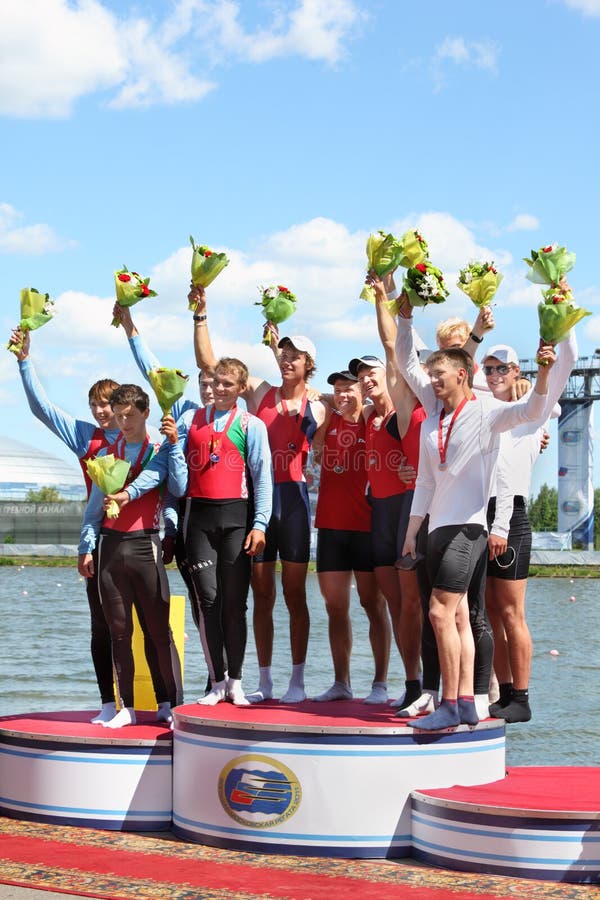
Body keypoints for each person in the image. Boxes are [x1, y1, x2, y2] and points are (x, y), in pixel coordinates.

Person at [396, 297, 573, 730]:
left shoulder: (490, 412)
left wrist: (544, 371)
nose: (431, 382)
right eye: (430, 375)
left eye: (439, 375)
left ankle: (465, 702)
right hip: (438, 528)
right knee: (461, 615)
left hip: (476, 525)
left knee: (446, 612)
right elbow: (425, 483)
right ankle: (464, 703)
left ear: (462, 374)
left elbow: (533, 411)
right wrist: (412, 532)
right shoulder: (433, 420)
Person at [189, 283, 328, 703]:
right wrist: (201, 314)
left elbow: (353, 406)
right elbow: (210, 364)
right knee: (261, 595)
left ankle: (297, 681)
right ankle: (262, 680)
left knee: (295, 596)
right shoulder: (260, 392)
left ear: (308, 364)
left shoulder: (319, 403)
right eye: (282, 354)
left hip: (295, 503)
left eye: (295, 356)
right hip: (258, 505)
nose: (286, 360)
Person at [9, 327, 121, 723]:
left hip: (139, 540)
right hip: (99, 540)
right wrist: (24, 361)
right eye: (94, 404)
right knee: (101, 625)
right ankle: (107, 702)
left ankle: (155, 703)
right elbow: (42, 409)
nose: (100, 410)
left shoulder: (140, 437)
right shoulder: (85, 437)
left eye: (106, 403)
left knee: (142, 625)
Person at [163, 357, 272, 706]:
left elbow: (262, 478)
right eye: (216, 382)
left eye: (227, 383)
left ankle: (236, 682)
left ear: (240, 388)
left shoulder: (251, 425)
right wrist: (171, 444)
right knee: (208, 602)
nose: (219, 388)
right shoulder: (188, 420)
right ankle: (216, 682)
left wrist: (260, 524)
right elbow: (176, 482)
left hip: (236, 518)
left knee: (235, 604)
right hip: (198, 520)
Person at [78, 384, 187, 729]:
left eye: (130, 415)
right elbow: (94, 510)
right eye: (119, 416)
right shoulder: (107, 455)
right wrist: (85, 547)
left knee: (159, 632)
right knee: (119, 633)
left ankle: (172, 706)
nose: (124, 422)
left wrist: (175, 446)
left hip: (145, 545)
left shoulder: (160, 450)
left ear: (145, 413)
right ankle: (125, 708)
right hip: (110, 549)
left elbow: (179, 488)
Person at [483, 335, 576, 723]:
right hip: (482, 514)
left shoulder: (530, 411)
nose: (494, 375)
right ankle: (505, 693)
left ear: (516, 371)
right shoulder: (485, 410)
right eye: (488, 369)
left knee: (511, 612)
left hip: (512, 517)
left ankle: (521, 697)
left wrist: (559, 332)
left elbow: (564, 368)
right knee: (490, 610)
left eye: (502, 369)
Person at [311, 369, 391, 703]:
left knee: (373, 604)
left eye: (349, 389)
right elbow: (313, 398)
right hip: (331, 528)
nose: (342, 394)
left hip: (367, 528)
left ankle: (380, 683)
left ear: (363, 392)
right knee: (335, 608)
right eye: (337, 389)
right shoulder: (328, 421)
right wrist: (325, 398)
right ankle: (341, 683)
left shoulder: (373, 419)